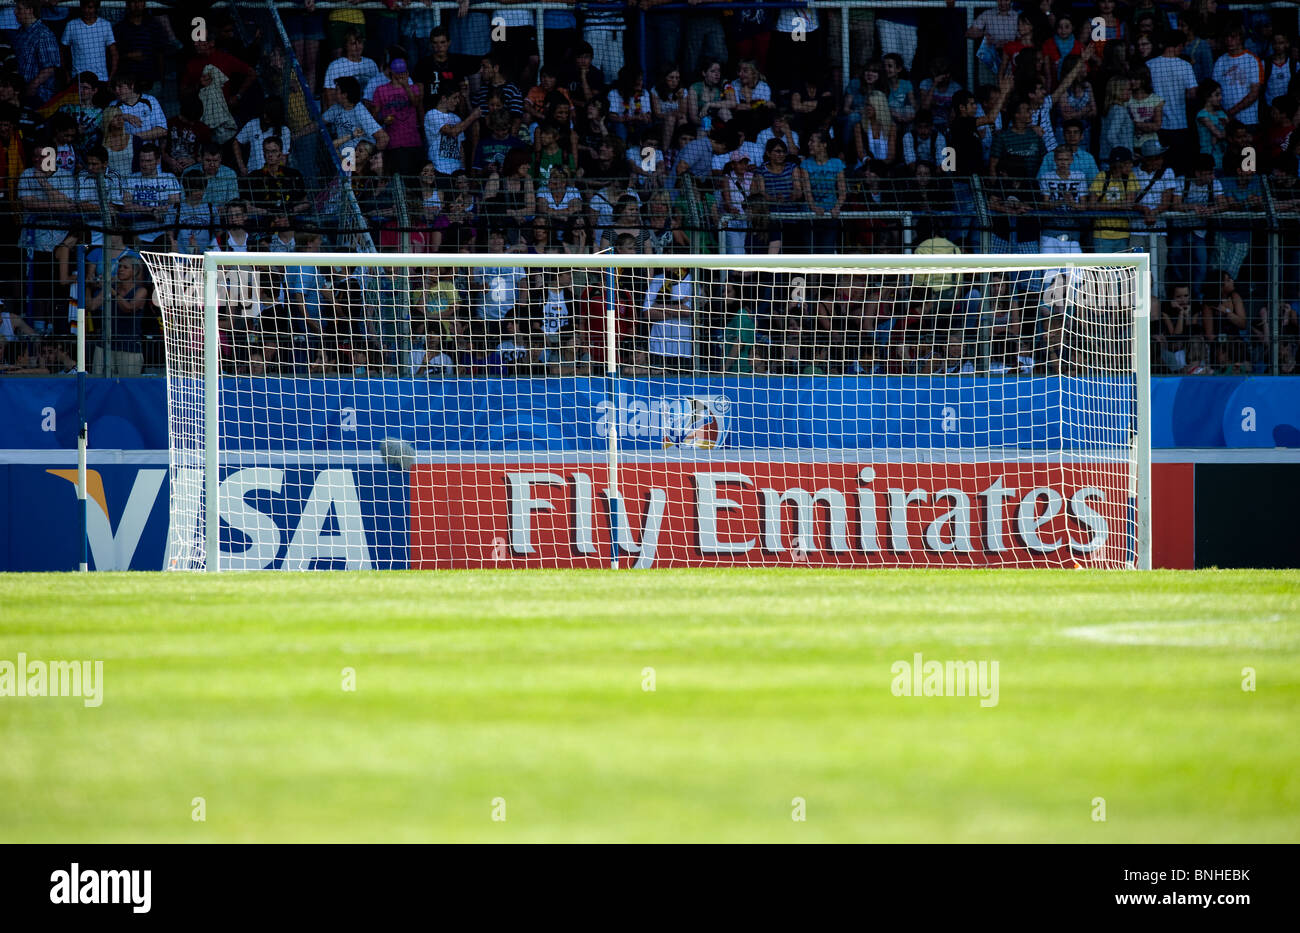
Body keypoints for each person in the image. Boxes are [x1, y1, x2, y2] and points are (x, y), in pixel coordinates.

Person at [122, 143, 181, 245]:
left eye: (149, 161)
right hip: (137, 237)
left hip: (163, 237)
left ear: (158, 161)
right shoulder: (131, 179)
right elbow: (126, 206)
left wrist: (144, 209)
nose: (144, 165)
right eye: (142, 161)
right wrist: (152, 210)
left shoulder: (168, 178)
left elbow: (175, 205)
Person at [1088, 146, 1140, 251]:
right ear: (1119, 164)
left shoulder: (1131, 177)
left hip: (1123, 233)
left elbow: (1129, 204)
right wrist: (1117, 206)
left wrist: (1105, 206)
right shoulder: (1102, 176)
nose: (1131, 166)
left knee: (1120, 267)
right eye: (1128, 163)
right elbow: (1091, 204)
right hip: (1101, 234)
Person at [1212, 23, 1264, 129]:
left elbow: (1254, 93)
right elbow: (1213, 91)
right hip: (1225, 120)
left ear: (1241, 38)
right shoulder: (1220, 61)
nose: (1229, 40)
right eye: (1227, 37)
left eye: (1233, 37)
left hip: (1248, 120)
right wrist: (1223, 113)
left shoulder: (1253, 60)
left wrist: (1231, 112)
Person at [424, 86, 479, 175]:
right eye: (454, 98)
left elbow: (460, 148)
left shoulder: (456, 118)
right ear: (444, 98)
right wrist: (473, 116)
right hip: (439, 169)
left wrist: (463, 169)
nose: (457, 101)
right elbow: (452, 132)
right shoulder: (432, 114)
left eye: (458, 98)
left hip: (456, 170)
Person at [61, 0, 116, 83]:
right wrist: (67, 75)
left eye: (90, 7)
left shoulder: (105, 25)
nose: (86, 10)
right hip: (78, 79)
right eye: (84, 7)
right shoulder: (71, 25)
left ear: (96, 8)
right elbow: (61, 51)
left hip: (101, 79)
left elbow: (114, 54)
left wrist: (111, 77)